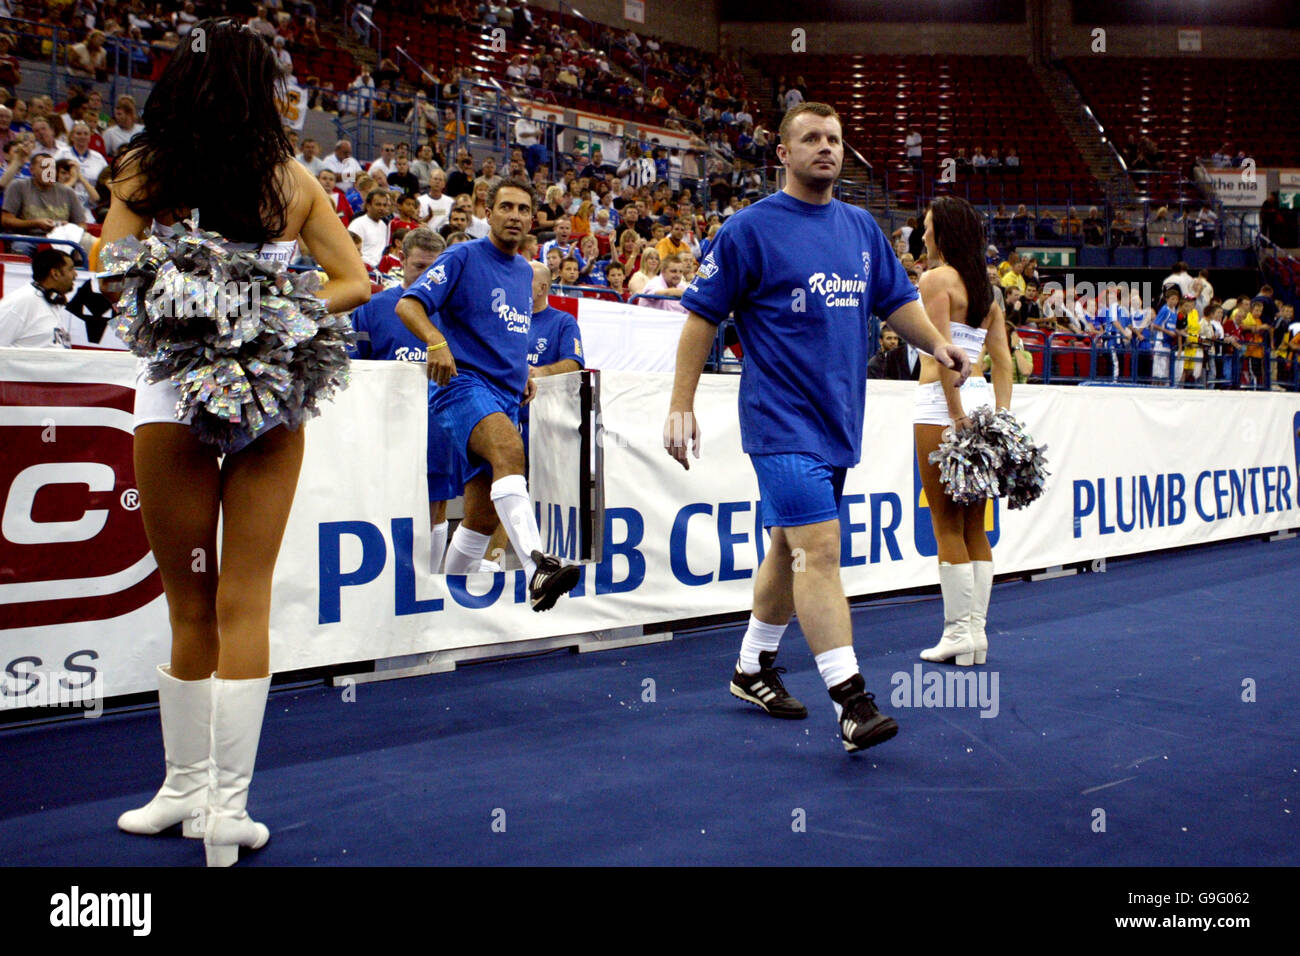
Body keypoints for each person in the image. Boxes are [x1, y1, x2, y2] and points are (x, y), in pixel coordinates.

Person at [97, 20, 371, 867]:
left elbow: (109, 261)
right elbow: (355, 280)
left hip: (176, 387)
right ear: (264, 91)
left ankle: (198, 793)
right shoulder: (290, 180)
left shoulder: (147, 169)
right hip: (271, 391)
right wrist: (276, 315)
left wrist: (194, 303)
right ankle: (211, 801)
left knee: (194, 600)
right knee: (242, 598)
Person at [665, 102, 971, 754]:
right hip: (778, 421)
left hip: (838, 422)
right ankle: (852, 701)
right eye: (810, 138)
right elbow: (700, 319)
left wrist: (938, 346)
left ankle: (751, 668)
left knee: (789, 548)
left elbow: (898, 303)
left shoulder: (861, 229)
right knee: (820, 547)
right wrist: (680, 403)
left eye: (833, 138)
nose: (825, 148)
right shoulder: (748, 230)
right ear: (782, 152)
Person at [395, 181, 581, 608]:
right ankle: (539, 567)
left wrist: (521, 375)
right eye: (506, 207)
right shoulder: (463, 255)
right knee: (511, 452)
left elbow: (508, 332)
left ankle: (447, 602)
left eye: (523, 209)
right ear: (489, 213)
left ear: (533, 220)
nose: (514, 215)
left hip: (504, 394)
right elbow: (408, 305)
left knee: (479, 518)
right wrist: (436, 342)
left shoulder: (523, 271)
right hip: (461, 386)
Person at [913, 197, 1013, 667]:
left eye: (928, 227)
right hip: (980, 407)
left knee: (945, 523)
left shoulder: (936, 280)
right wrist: (1004, 417)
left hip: (942, 406)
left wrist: (955, 417)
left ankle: (957, 634)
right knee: (975, 524)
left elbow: (940, 354)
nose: (923, 235)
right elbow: (1003, 361)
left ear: (945, 233)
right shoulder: (989, 290)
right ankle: (976, 635)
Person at [0, 247, 77, 347]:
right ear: (55, 274)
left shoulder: (53, 301)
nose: (75, 274)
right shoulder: (21, 301)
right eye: (71, 269)